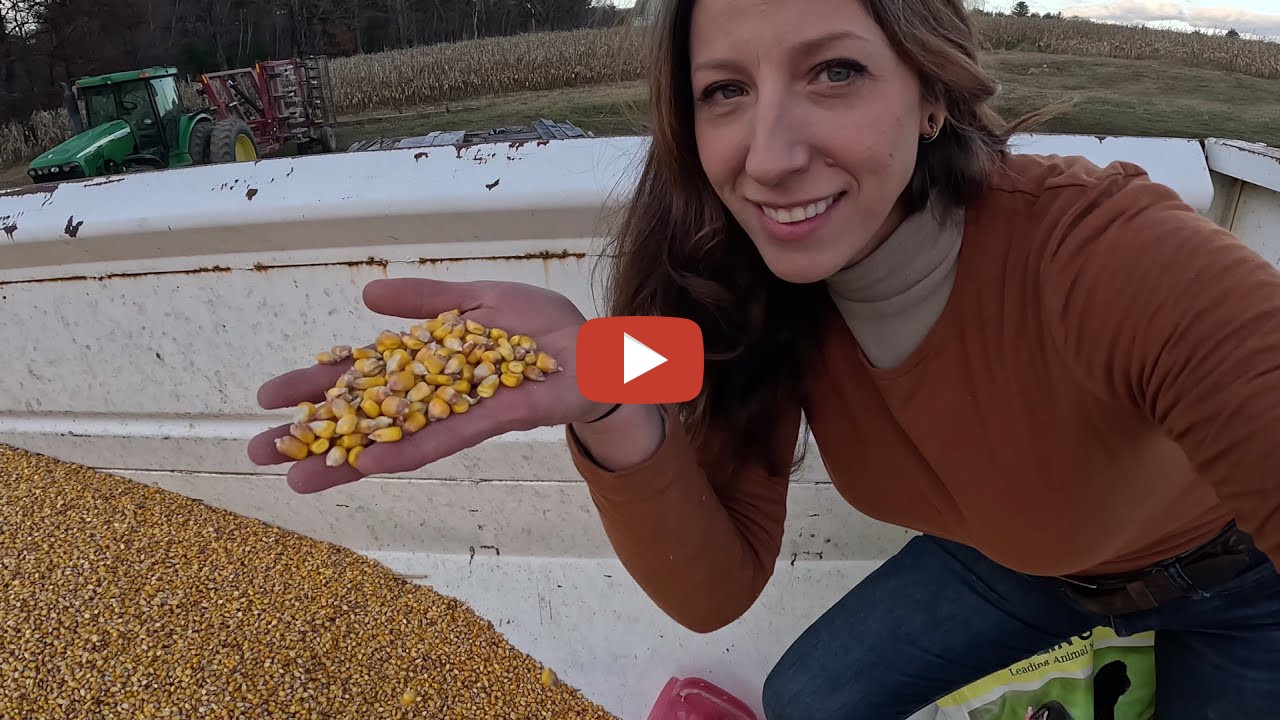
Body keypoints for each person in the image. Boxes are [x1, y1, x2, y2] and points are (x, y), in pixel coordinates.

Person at [248, 0, 1280, 717]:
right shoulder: (733, 297)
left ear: (930, 93)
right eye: (725, 90)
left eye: (835, 72)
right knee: (807, 701)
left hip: (1240, 590)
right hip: (1015, 565)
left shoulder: (1103, 258)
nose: (771, 156)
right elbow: (711, 588)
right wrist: (605, 403)